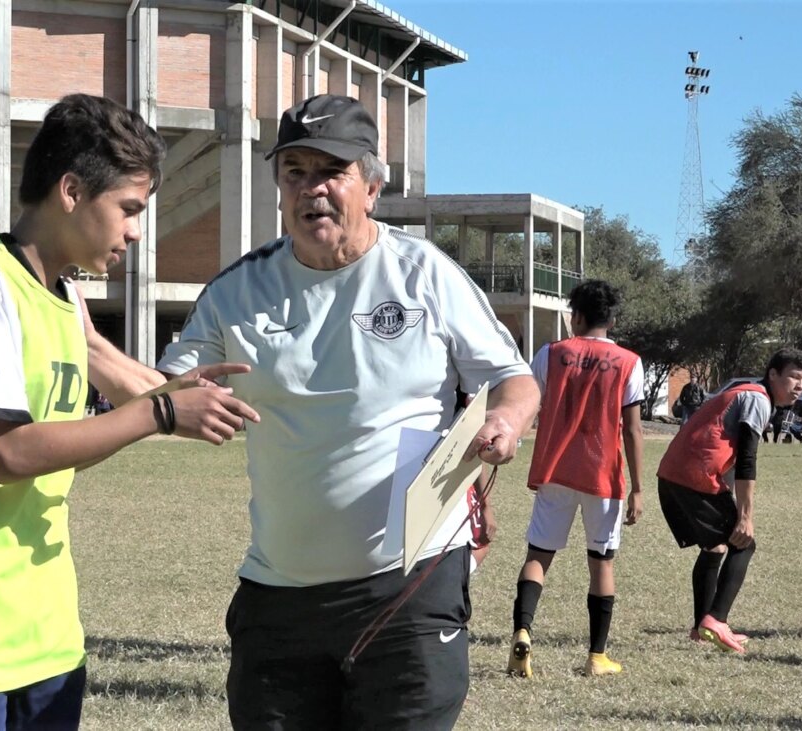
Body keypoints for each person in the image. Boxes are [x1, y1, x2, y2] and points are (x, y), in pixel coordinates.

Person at [98, 94, 537, 729]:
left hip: (411, 586)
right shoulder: (237, 292)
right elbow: (158, 394)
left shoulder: (425, 277)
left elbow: (514, 380)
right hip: (279, 598)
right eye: (295, 171)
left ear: (373, 187)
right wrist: (85, 345)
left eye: (332, 170)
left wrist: (505, 420)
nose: (313, 189)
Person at [0, 93, 258, 731]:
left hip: (48, 629)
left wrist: (183, 392)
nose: (136, 231)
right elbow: (9, 453)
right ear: (72, 191)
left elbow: (109, 367)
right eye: (129, 210)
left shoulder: (65, 298)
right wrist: (162, 414)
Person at [507, 280, 645, 679]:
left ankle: (523, 632)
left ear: (576, 317)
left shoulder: (550, 354)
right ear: (612, 319)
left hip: (555, 470)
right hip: (602, 475)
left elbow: (527, 405)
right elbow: (632, 430)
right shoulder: (629, 362)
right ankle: (597, 656)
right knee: (601, 562)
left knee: (538, 556)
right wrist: (637, 487)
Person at [657, 347, 802, 654]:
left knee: (715, 546)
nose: (799, 385)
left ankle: (701, 627)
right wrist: (745, 515)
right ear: (772, 374)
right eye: (793, 377)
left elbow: (726, 449)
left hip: (672, 476)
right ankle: (716, 620)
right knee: (744, 542)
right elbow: (746, 461)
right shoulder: (757, 399)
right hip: (693, 478)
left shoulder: (747, 395)